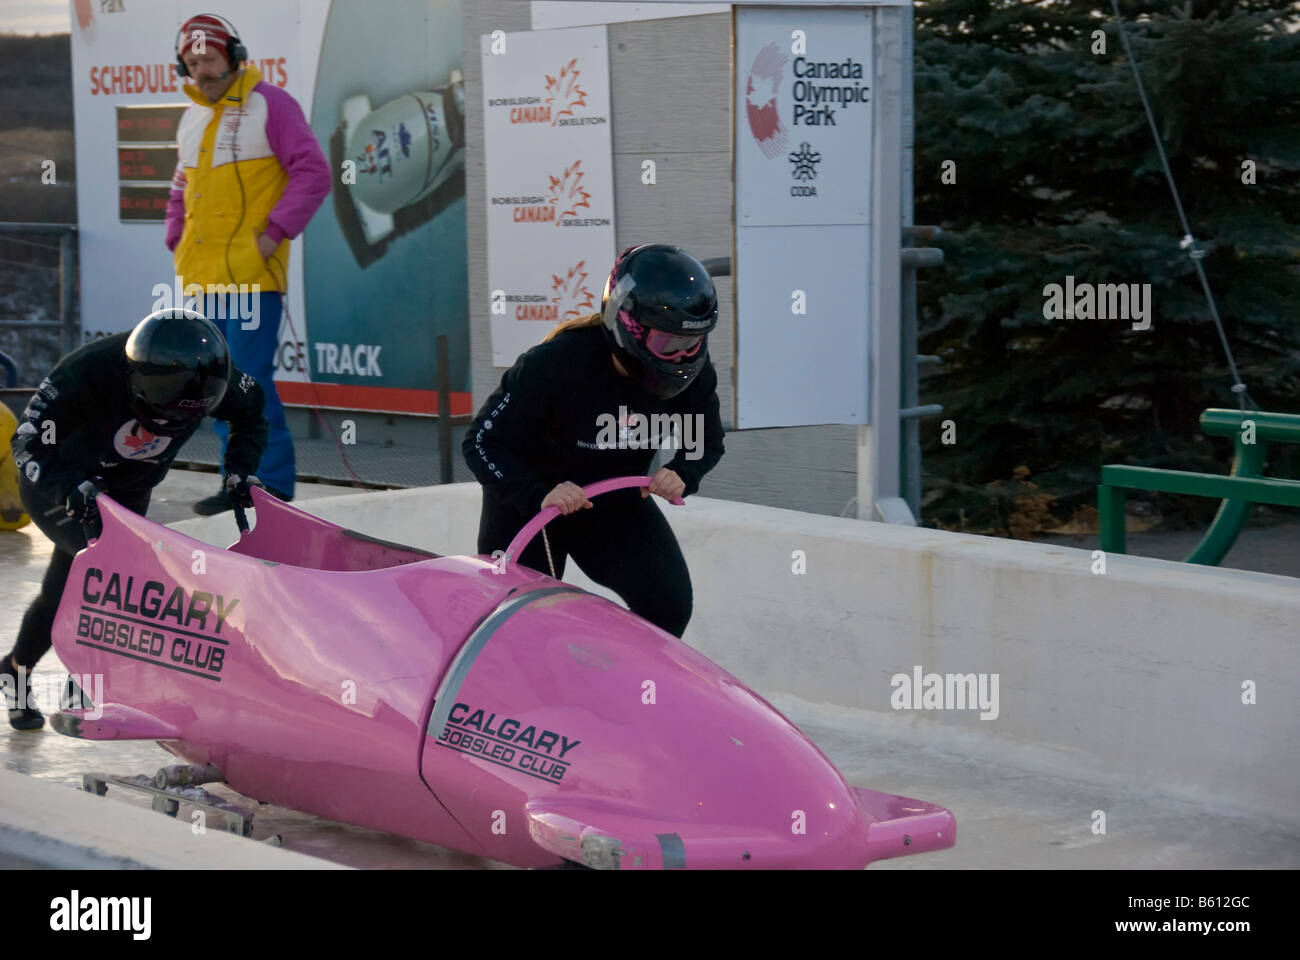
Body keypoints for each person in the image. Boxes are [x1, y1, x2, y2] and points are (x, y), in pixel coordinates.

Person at [2, 309, 268, 730]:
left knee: (64, 586)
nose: (172, 425)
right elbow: (29, 442)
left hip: (130, 486)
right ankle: (88, 679)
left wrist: (238, 467)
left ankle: (15, 671)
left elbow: (251, 413)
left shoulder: (213, 375)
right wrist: (68, 487)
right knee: (115, 568)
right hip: (62, 484)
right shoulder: (84, 374)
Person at [463, 243, 725, 638]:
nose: (682, 358)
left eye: (694, 344)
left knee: (668, 604)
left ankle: (631, 692)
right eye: (668, 345)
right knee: (519, 625)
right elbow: (481, 443)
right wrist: (538, 492)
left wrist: (682, 471)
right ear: (629, 328)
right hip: (531, 508)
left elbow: (704, 439)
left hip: (612, 503)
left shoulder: (695, 375)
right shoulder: (554, 365)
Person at [164, 13, 330, 514]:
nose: (203, 72)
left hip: (253, 277)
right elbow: (179, 189)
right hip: (203, 278)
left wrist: (273, 233)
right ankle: (237, 481)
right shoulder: (191, 117)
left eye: (210, 59)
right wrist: (176, 236)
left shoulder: (270, 105)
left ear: (234, 56)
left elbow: (314, 172)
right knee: (214, 385)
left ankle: (270, 484)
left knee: (247, 378)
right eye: (193, 63)